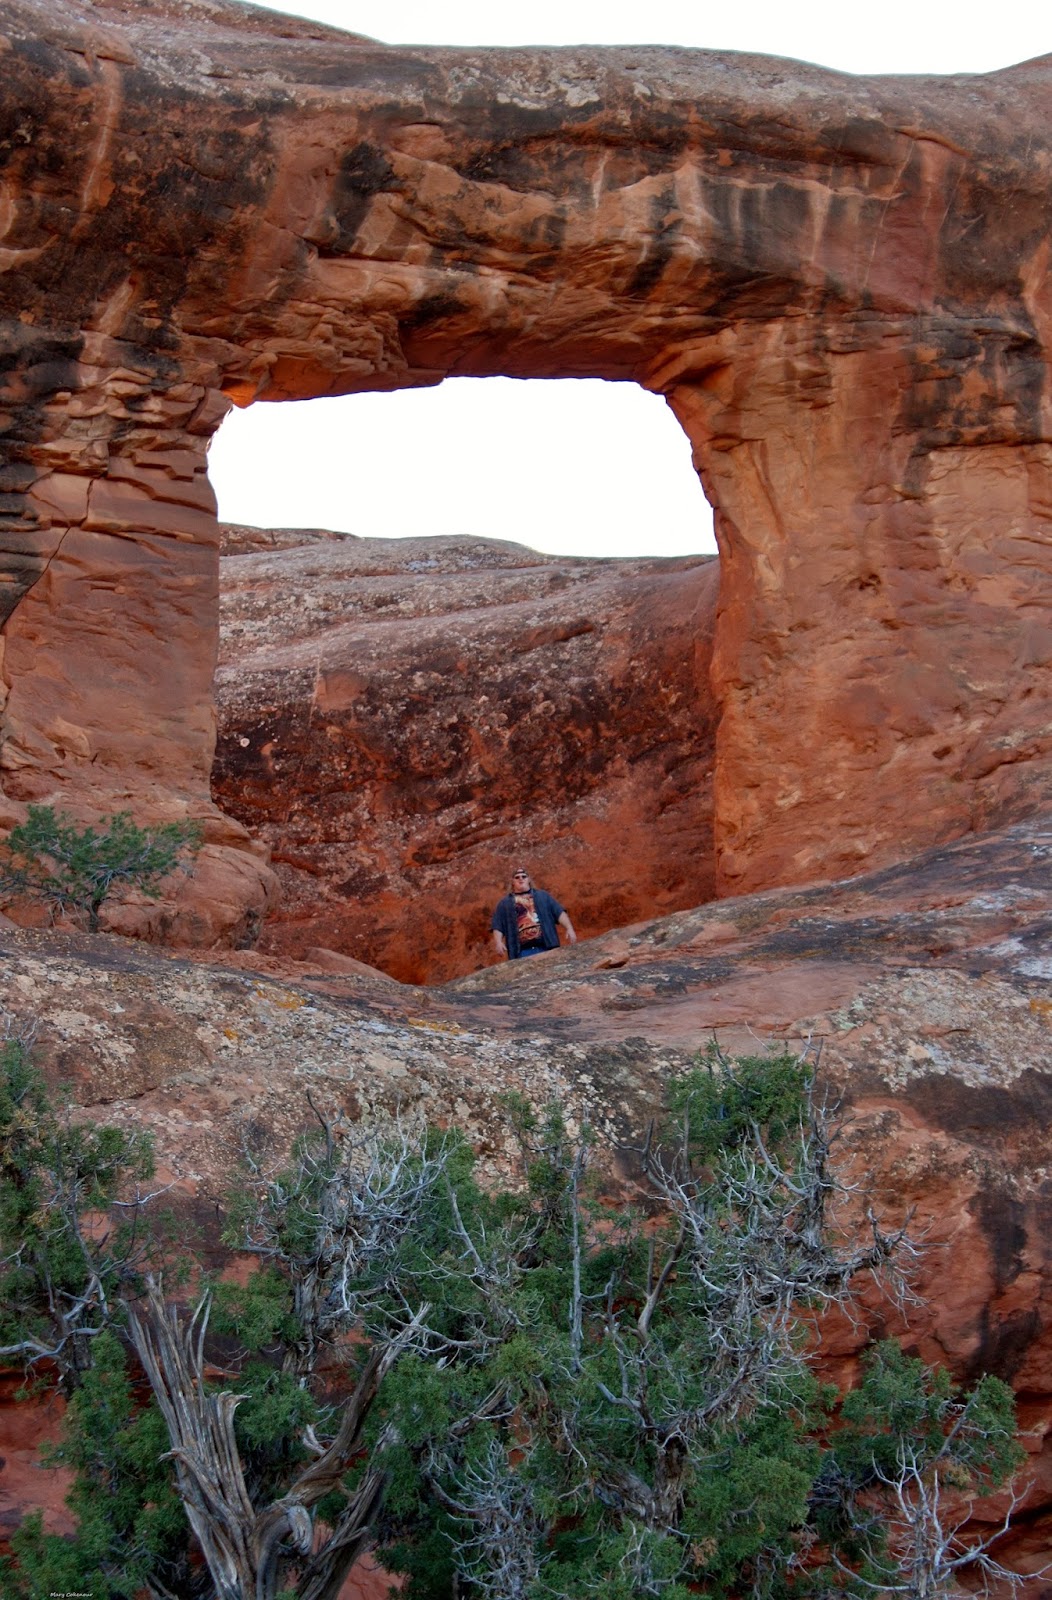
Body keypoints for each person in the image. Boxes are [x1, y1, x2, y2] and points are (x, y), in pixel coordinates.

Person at [491, 867, 577, 961]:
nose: (521, 879)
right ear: (512, 882)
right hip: (521, 952)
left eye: (524, 876)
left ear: (528, 880)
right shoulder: (505, 903)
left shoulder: (542, 896)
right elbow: (498, 925)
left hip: (546, 946)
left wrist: (569, 928)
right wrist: (498, 942)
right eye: (517, 877)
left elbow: (559, 912)